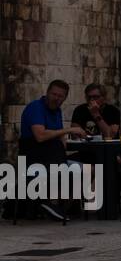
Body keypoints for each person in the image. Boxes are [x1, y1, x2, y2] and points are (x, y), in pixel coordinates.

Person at [18, 80, 87, 221]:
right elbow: (40, 136)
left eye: (60, 96)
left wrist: (71, 140)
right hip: (35, 160)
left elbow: (60, 137)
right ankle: (51, 203)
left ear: (65, 98)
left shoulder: (57, 111)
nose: (56, 98)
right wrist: (70, 129)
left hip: (52, 158)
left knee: (88, 168)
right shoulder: (36, 107)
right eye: (53, 94)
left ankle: (59, 206)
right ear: (47, 92)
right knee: (60, 162)